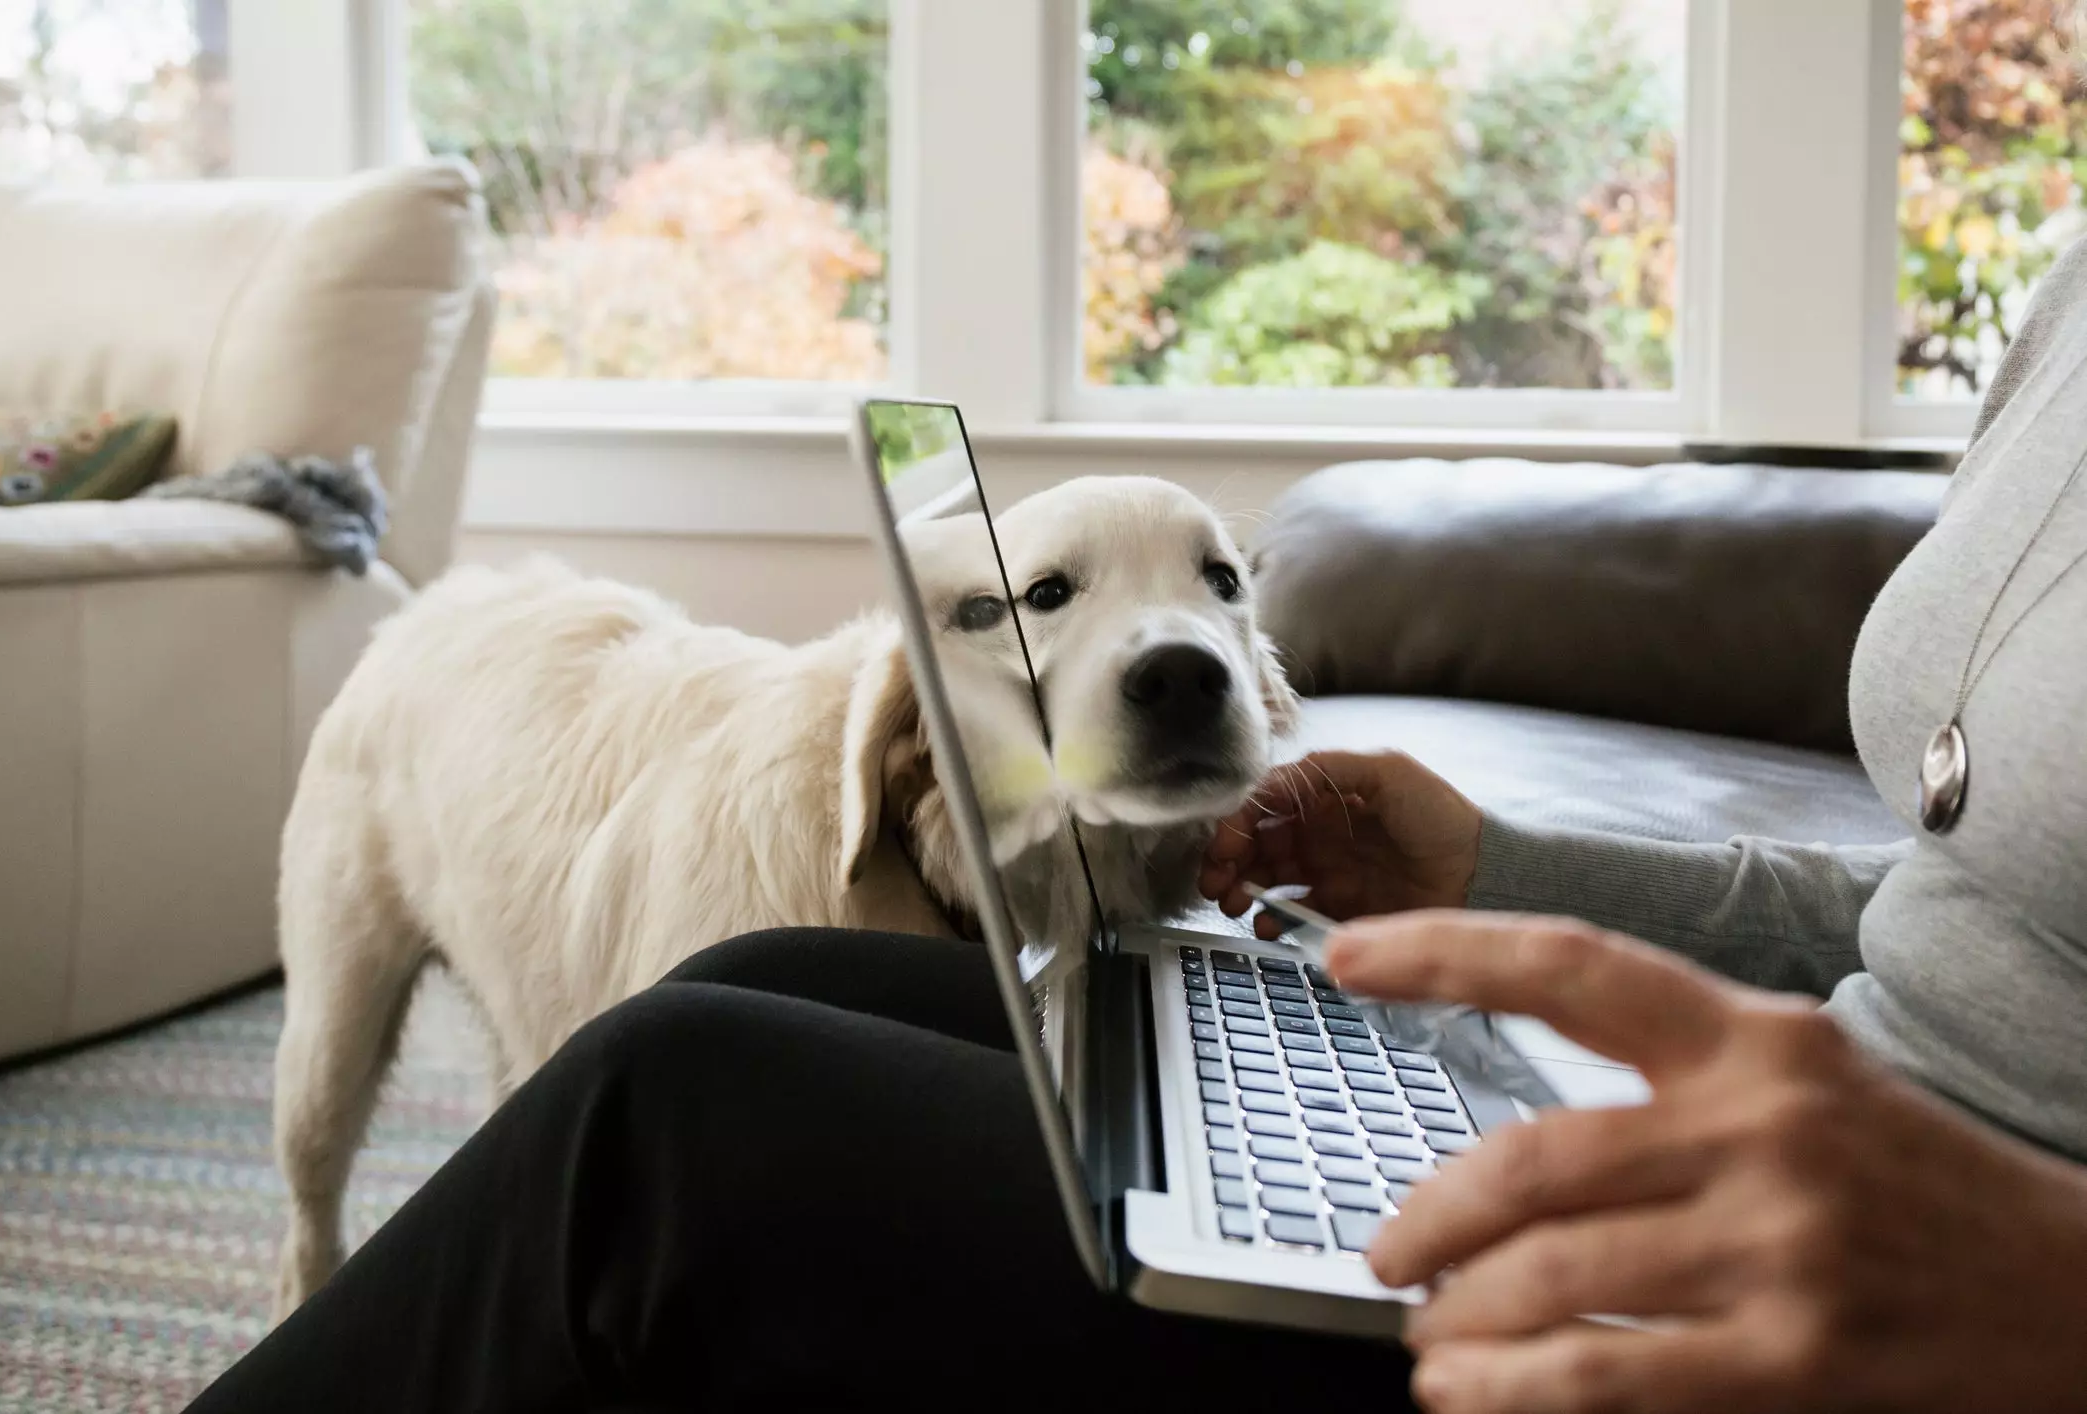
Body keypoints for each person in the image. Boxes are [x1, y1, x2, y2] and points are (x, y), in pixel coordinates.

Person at [191, 179, 2087, 1414]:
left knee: (651, 1125)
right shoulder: (2063, 289)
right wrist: (1501, 863)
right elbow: (1952, 905)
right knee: (737, 989)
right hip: (1771, 1168)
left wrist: (2039, 1285)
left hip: (1892, 1320)